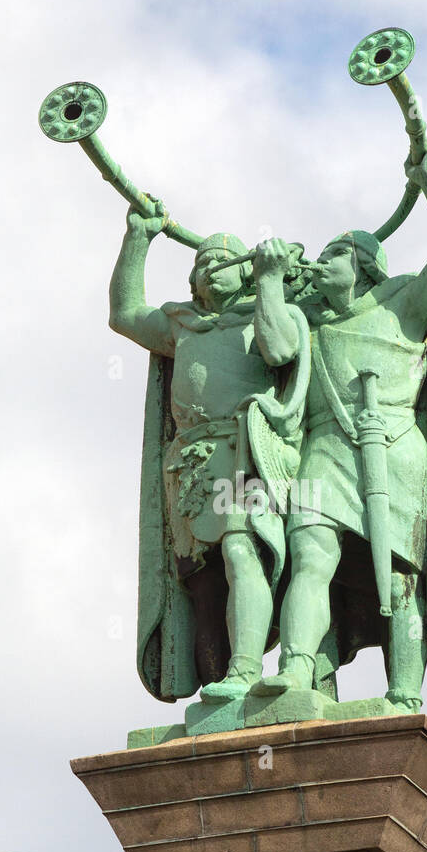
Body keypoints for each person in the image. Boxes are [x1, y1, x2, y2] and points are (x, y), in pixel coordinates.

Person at [251, 140, 427, 711]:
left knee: (399, 578)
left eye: (333, 254)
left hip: (395, 448)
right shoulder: (307, 321)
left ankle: (403, 694)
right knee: (310, 555)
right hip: (325, 451)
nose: (321, 264)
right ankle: (297, 669)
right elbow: (275, 349)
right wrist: (270, 282)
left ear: (361, 263)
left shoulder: (402, 302)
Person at [108, 202, 308, 704]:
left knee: (243, 550)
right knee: (202, 583)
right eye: (202, 264)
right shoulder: (182, 325)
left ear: (245, 273)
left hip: (245, 453)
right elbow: (125, 314)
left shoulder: (263, 313)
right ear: (193, 281)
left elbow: (281, 351)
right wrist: (138, 238)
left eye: (224, 261)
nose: (210, 269)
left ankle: (246, 669)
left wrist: (269, 281)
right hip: (189, 466)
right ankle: (217, 687)